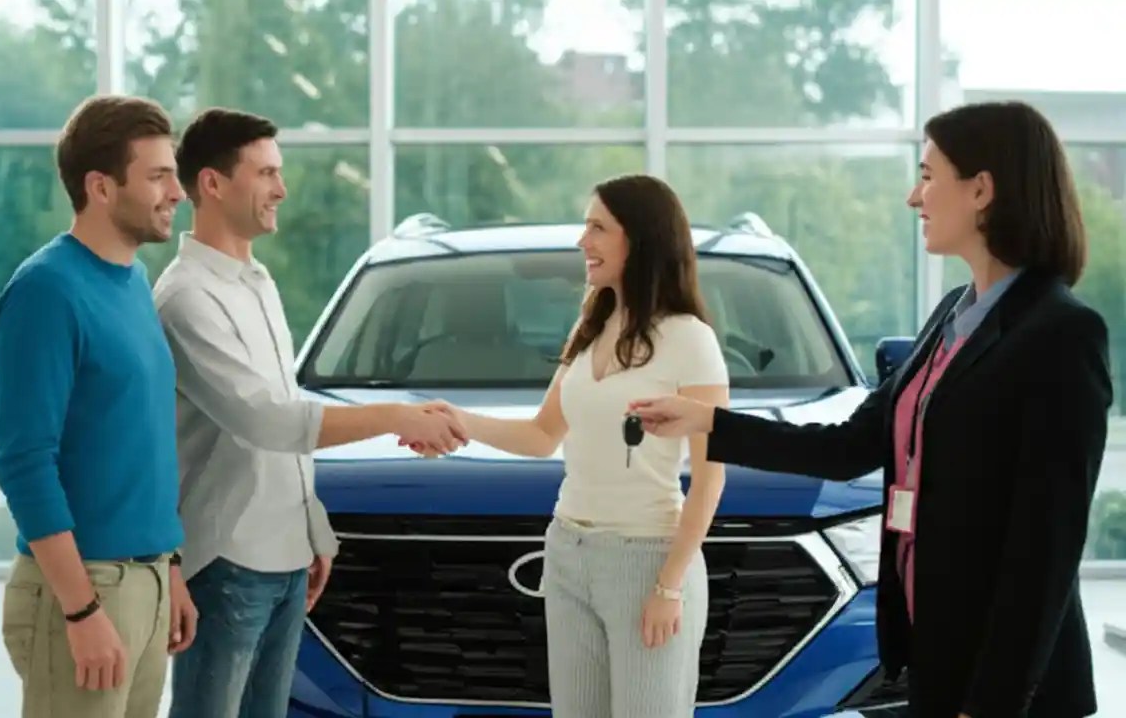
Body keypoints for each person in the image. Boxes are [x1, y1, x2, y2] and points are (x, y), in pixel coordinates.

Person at [629, 101, 1112, 718]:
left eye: (929, 175)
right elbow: (849, 447)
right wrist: (707, 423)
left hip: (1006, 687)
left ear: (982, 189)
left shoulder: (1061, 335)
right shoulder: (951, 319)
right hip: (934, 657)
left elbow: (1045, 549)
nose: (916, 197)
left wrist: (989, 706)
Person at [153, 107, 468, 718]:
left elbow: (288, 412)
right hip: (227, 564)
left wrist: (312, 528)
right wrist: (397, 417)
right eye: (267, 172)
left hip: (286, 560)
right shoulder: (186, 297)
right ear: (213, 184)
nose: (282, 189)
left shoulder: (257, 281)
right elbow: (267, 421)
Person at [405, 174, 729, 718]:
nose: (583, 242)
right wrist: (459, 420)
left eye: (598, 228)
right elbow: (541, 435)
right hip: (569, 552)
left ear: (641, 239)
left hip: (647, 558)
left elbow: (710, 477)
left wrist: (669, 586)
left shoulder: (690, 339)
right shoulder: (591, 325)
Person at [0, 95, 195, 718]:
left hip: (147, 583)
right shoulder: (46, 292)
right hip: (84, 592)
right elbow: (25, 464)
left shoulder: (132, 281)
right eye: (158, 176)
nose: (177, 192)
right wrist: (81, 609)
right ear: (101, 187)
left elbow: (141, 440)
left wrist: (170, 566)